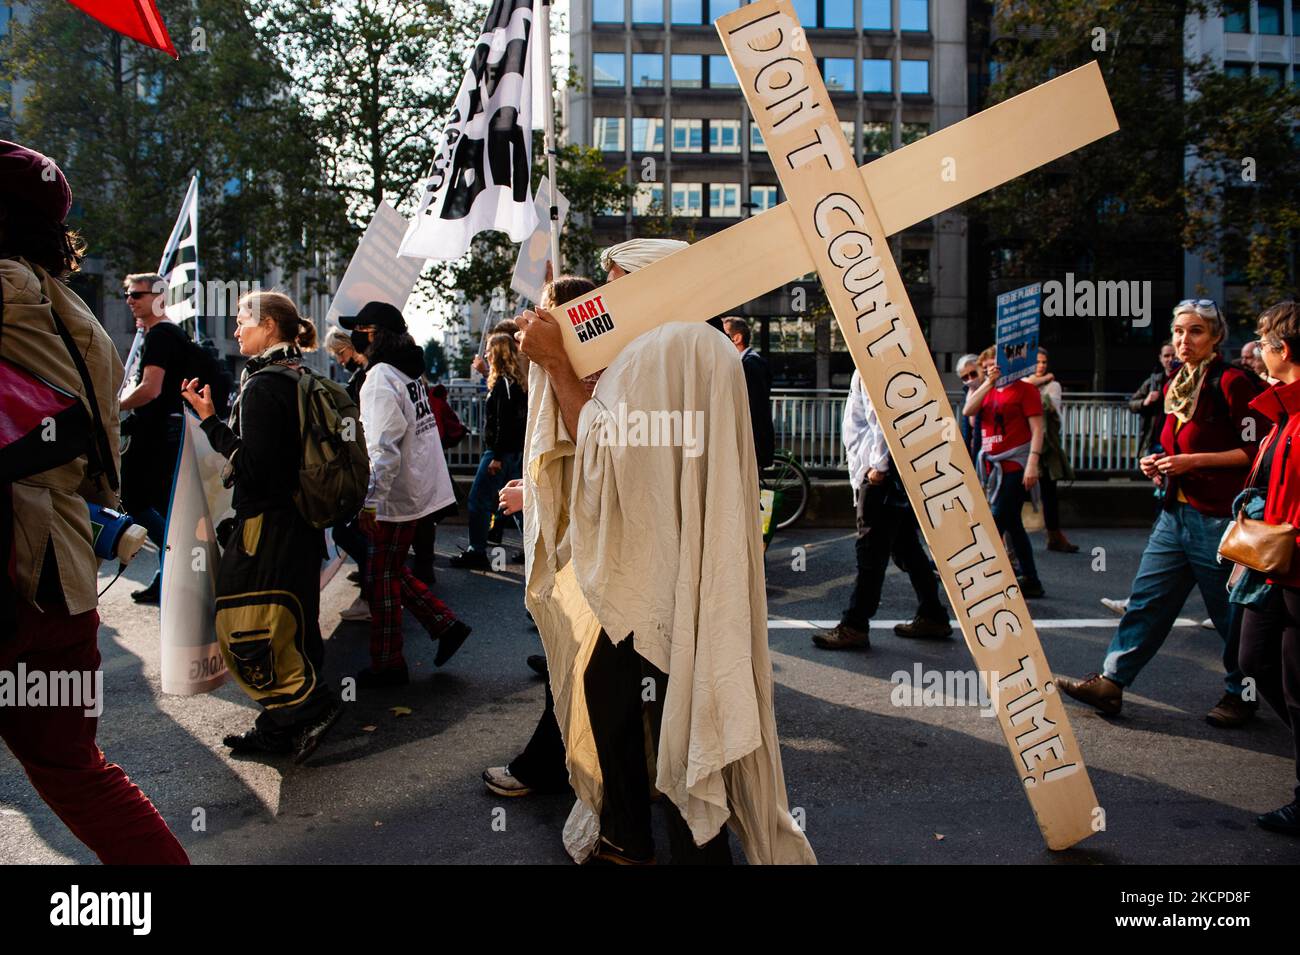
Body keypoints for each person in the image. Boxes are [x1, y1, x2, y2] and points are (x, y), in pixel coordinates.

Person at [509, 236, 815, 865]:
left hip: (655, 575)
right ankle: (646, 837)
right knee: (659, 699)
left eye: (617, 281)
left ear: (650, 282)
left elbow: (600, 445)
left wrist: (559, 368)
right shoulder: (701, 343)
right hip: (683, 565)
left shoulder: (661, 346)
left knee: (652, 701)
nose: (605, 299)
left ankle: (641, 841)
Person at [0, 140, 189, 862]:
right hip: (62, 581)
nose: (139, 301)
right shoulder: (85, 324)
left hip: (11, 563)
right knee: (77, 772)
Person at [1058, 299, 1267, 726]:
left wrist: (1193, 462)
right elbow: (1171, 444)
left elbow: (1255, 451)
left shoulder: (1233, 382)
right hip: (1175, 514)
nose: (1184, 340)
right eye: (1178, 332)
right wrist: (1156, 462)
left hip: (1220, 520)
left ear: (1215, 337)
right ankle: (1112, 682)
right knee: (1147, 603)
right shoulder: (1178, 380)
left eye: (1195, 332)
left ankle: (1241, 695)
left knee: (1231, 616)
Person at [180, 290, 343, 762]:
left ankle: (311, 707)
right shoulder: (298, 375)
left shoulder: (265, 384)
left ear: (269, 326)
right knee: (294, 622)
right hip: (300, 522)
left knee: (247, 624)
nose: (236, 330)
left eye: (241, 321)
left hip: (267, 525)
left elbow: (257, 468)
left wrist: (211, 425)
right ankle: (278, 726)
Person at [483, 276, 600, 801]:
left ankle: (546, 768)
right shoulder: (567, 369)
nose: (530, 319)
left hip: (589, 544)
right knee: (579, 658)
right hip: (580, 538)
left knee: (577, 656)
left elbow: (595, 458)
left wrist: (533, 498)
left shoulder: (579, 372)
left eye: (543, 310)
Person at [341, 301, 472, 687]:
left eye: (360, 329)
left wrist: (370, 500)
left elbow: (382, 446)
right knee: (388, 571)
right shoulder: (407, 371)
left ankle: (389, 664)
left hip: (396, 496)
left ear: (372, 334)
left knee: (381, 579)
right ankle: (444, 625)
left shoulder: (381, 376)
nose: (355, 336)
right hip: (413, 489)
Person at [812, 369, 952, 650]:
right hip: (881, 472)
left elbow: (883, 419)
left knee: (871, 553)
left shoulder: (873, 365)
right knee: (907, 550)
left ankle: (855, 624)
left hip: (879, 476)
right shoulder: (875, 364)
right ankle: (933, 614)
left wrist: (880, 466)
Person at [1236, 301, 1300, 834]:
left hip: (1294, 563)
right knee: (1255, 660)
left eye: (1263, 340)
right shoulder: (1285, 409)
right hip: (1275, 560)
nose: (1257, 349)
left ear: (1285, 350)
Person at [117, 270, 187, 604]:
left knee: (135, 500)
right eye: (128, 294)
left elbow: (151, 389)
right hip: (165, 431)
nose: (129, 300)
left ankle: (176, 563)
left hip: (156, 433)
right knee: (160, 504)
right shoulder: (160, 334)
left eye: (136, 294)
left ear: (158, 298)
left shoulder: (161, 335)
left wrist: (113, 406)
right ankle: (169, 578)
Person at [963, 346, 1047, 598]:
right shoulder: (987, 391)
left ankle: (970, 568)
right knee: (1013, 524)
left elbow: (1038, 429)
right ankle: (1030, 578)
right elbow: (968, 411)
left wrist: (1032, 462)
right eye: (986, 367)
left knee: (995, 520)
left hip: (1015, 465)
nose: (991, 370)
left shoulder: (1025, 390)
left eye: (994, 365)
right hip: (992, 467)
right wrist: (988, 384)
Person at [450, 331, 528, 569]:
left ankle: (477, 550)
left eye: (488, 350)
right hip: (512, 452)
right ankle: (535, 545)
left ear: (496, 354)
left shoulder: (503, 384)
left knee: (479, 500)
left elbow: (502, 422)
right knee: (514, 504)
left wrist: (495, 455)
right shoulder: (514, 383)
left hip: (499, 453)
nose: (485, 354)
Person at [325, 327, 372, 621]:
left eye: (340, 354)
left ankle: (371, 596)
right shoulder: (369, 374)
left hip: (366, 466)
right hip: (369, 465)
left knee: (350, 531)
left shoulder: (366, 378)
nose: (340, 361)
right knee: (360, 536)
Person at [1024, 347, 1078, 553]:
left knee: (1049, 493)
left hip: (1047, 448)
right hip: (1026, 444)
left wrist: (1043, 381)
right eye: (1038, 362)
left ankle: (1054, 534)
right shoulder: (1029, 383)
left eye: (1044, 362)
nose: (1041, 366)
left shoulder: (1053, 385)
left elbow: (1049, 407)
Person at [722, 316, 776, 470]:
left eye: (724, 335)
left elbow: (752, 406)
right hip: (755, 439)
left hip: (753, 440)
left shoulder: (749, 365)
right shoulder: (751, 362)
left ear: (737, 338)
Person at [1129, 340, 1178, 456]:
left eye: (1174, 355)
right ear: (1160, 358)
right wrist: (1145, 401)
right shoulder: (1153, 381)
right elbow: (1132, 404)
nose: (1171, 359)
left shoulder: (1186, 381)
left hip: (1177, 440)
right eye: (1166, 356)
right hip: (1155, 440)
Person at [955, 353, 982, 464]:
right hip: (973, 444)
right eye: (965, 377)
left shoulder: (990, 388)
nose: (970, 379)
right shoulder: (967, 393)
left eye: (973, 374)